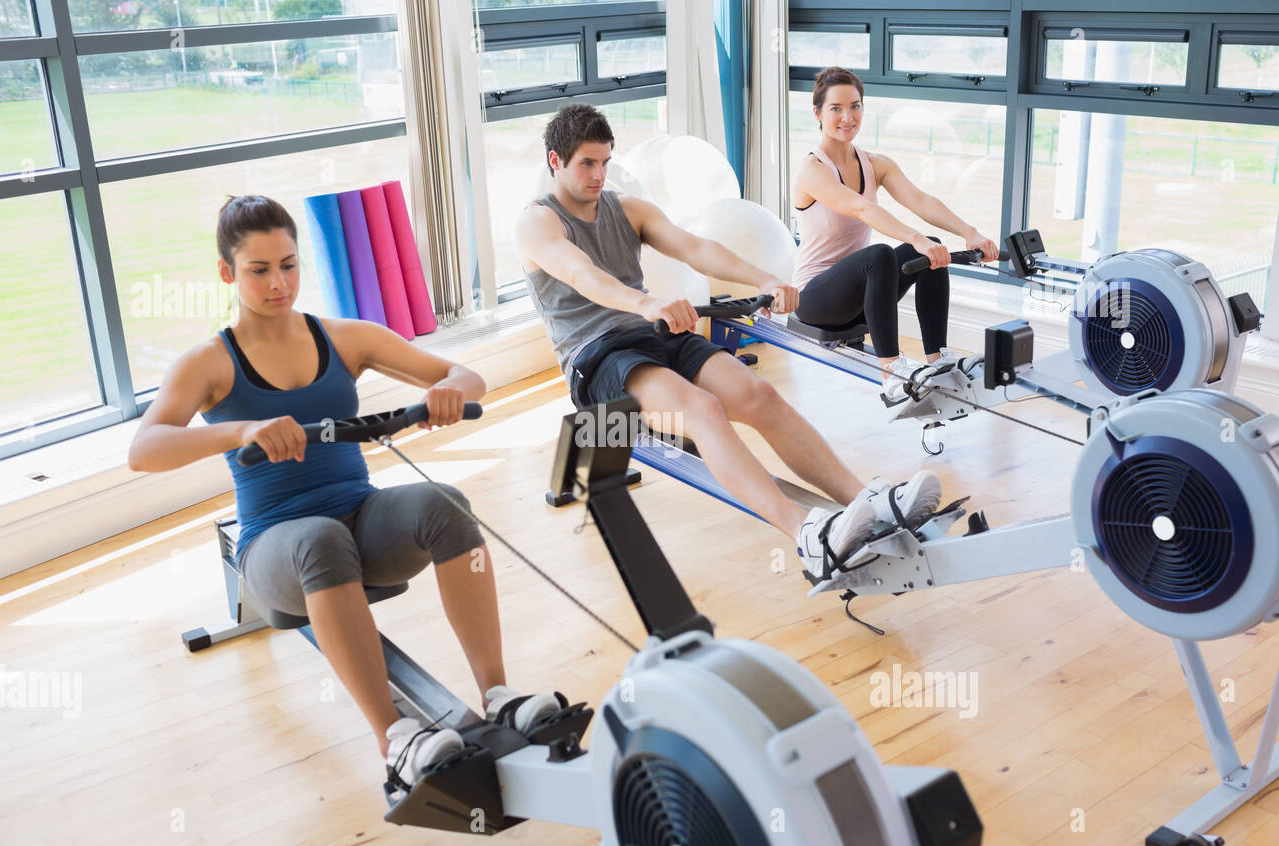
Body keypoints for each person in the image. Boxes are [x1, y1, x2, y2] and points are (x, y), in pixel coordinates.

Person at [128, 195, 558, 798]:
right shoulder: (210, 362)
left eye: (289, 264)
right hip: (277, 547)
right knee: (320, 539)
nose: (279, 283)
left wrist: (448, 392)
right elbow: (143, 450)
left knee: (445, 501)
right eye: (259, 269)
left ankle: (498, 695)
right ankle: (396, 741)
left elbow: (464, 377)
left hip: (362, 519)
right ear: (227, 272)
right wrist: (241, 430)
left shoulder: (346, 338)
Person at [515, 104, 947, 585]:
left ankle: (866, 498)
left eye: (604, 162)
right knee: (701, 411)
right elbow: (581, 274)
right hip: (599, 356)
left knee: (761, 395)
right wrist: (645, 302)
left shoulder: (626, 208)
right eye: (586, 164)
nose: (599, 175)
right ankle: (806, 535)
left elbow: (696, 247)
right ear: (556, 161)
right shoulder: (538, 223)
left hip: (655, 334)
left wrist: (763, 277)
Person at [791, 66, 1000, 405]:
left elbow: (920, 200)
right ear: (817, 113)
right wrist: (915, 238)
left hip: (862, 299)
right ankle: (891, 374)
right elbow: (862, 209)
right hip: (815, 298)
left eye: (855, 106)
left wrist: (970, 233)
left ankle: (938, 359)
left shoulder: (875, 163)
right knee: (881, 255)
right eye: (836, 108)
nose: (848, 116)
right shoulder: (812, 170)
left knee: (929, 248)